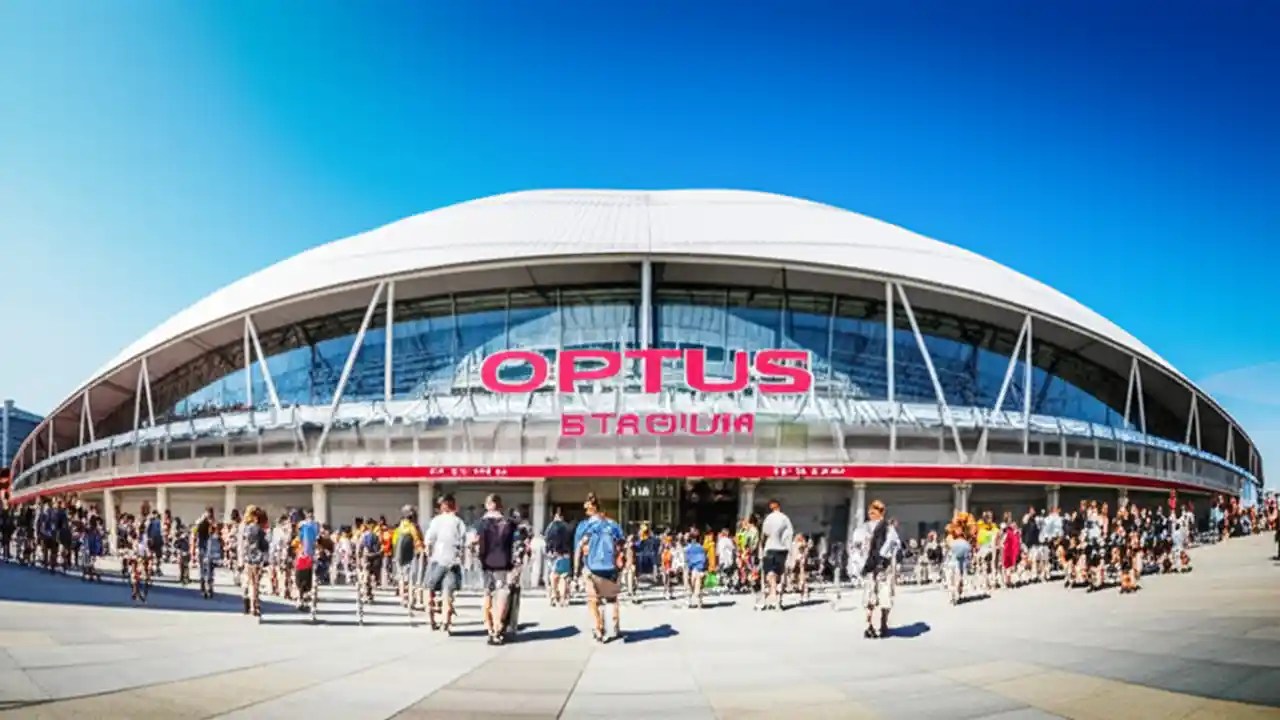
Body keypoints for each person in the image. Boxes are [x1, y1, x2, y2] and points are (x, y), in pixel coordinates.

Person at [573, 493, 625, 642]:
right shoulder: (613, 525)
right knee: (612, 598)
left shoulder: (584, 526)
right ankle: (615, 626)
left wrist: (575, 571)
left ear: (589, 508)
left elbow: (578, 549)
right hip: (610, 568)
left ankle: (598, 629)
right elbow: (622, 545)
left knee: (593, 599)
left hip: (591, 567)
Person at [476, 495, 518, 644]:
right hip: (503, 562)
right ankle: (499, 626)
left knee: (488, 593)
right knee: (501, 592)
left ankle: (489, 628)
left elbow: (479, 543)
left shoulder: (482, 523)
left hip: (486, 562)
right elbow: (516, 543)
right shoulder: (509, 523)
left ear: (488, 505)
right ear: (500, 505)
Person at [856, 499, 900, 639]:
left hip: (870, 566)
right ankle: (883, 625)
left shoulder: (863, 528)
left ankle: (869, 626)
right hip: (884, 567)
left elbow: (857, 548)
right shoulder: (889, 528)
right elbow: (897, 546)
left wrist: (859, 567)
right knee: (885, 595)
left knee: (870, 596)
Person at [424, 495, 467, 635]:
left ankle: (431, 619)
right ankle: (446, 623)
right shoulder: (459, 522)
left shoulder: (436, 521)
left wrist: (429, 556)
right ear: (454, 505)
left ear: (442, 506)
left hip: (436, 561)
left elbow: (429, 541)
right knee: (447, 593)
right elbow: (464, 542)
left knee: (429, 589)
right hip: (453, 562)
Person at [760, 499, 794, 610]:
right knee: (781, 573)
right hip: (782, 549)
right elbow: (790, 534)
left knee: (770, 573)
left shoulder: (769, 518)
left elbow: (764, 534)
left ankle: (773, 594)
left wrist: (761, 547)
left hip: (770, 548)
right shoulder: (785, 518)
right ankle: (778, 600)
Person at [543, 508, 572, 607]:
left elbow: (546, 539)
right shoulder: (567, 527)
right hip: (565, 554)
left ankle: (554, 596)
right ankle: (563, 598)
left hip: (553, 554)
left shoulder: (550, 527)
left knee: (553, 575)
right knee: (564, 576)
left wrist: (549, 551)